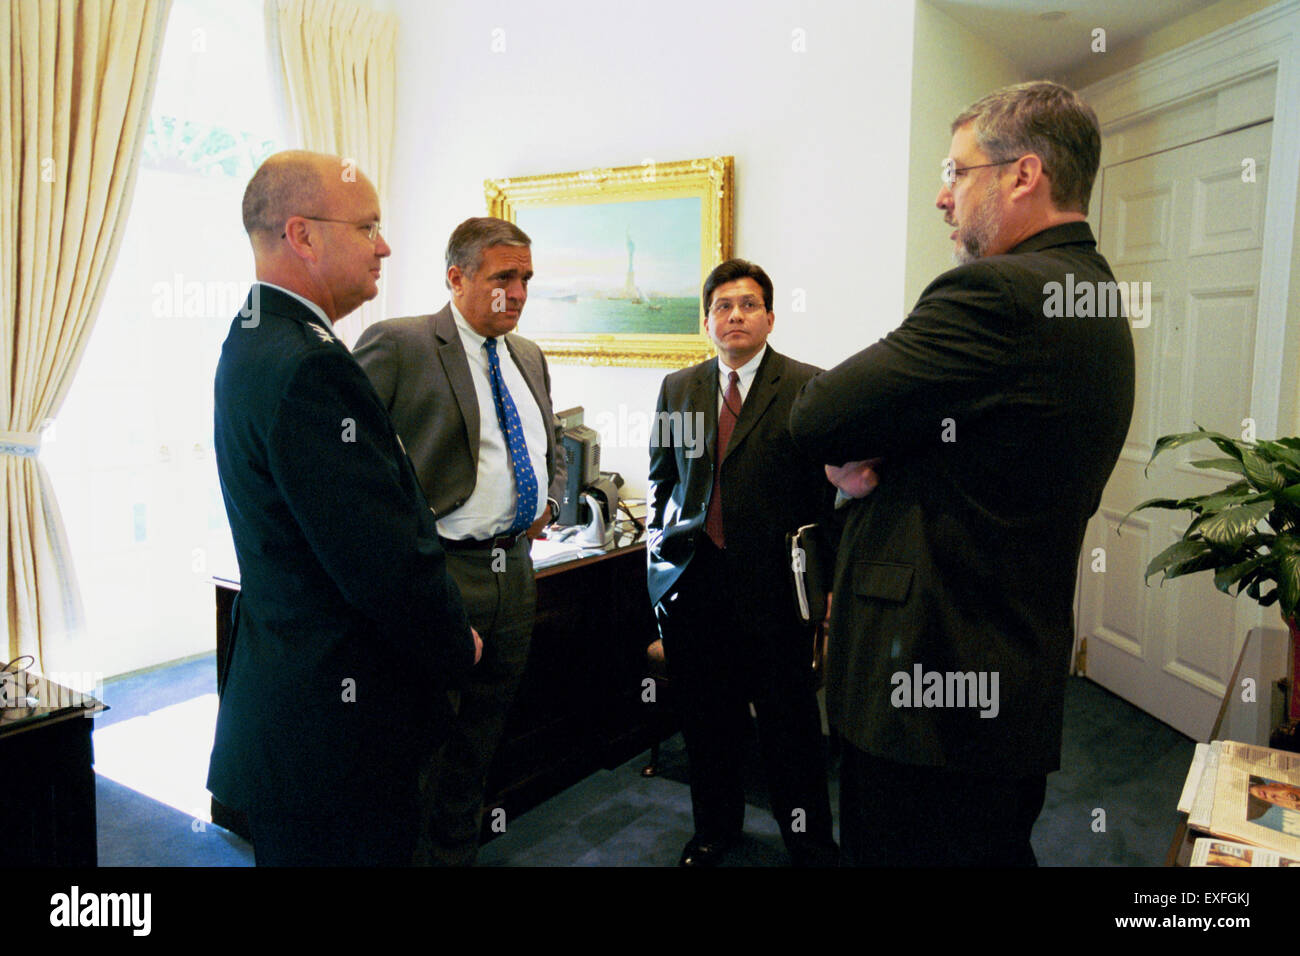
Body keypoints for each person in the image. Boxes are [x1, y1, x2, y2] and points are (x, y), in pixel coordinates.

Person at [789, 81, 1136, 866]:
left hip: (930, 696)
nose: (943, 199)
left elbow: (815, 413)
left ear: (1023, 175)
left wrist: (855, 454)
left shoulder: (998, 293)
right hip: (1006, 670)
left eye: (955, 172)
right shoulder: (1089, 289)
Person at [208, 150, 481, 866]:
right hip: (333, 732)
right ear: (302, 234)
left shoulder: (256, 334)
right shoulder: (312, 363)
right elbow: (379, 560)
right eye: (368, 227)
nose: (385, 245)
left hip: (294, 712)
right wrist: (458, 643)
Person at [354, 216, 565, 866]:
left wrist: (551, 499)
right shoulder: (400, 343)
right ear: (456, 277)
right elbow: (353, 470)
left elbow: (551, 445)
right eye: (504, 277)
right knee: (422, 749)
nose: (520, 293)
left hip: (516, 574)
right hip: (443, 574)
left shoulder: (527, 354)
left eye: (526, 278)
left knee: (479, 745)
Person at [646, 258, 837, 867]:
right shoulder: (679, 387)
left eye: (748, 304)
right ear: (707, 321)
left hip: (776, 591)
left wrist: (825, 585)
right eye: (723, 306)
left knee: (790, 729)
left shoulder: (809, 386)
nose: (735, 315)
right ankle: (715, 831)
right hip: (696, 587)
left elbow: (829, 498)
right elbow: (664, 482)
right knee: (708, 723)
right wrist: (660, 563)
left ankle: (808, 843)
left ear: (771, 317)